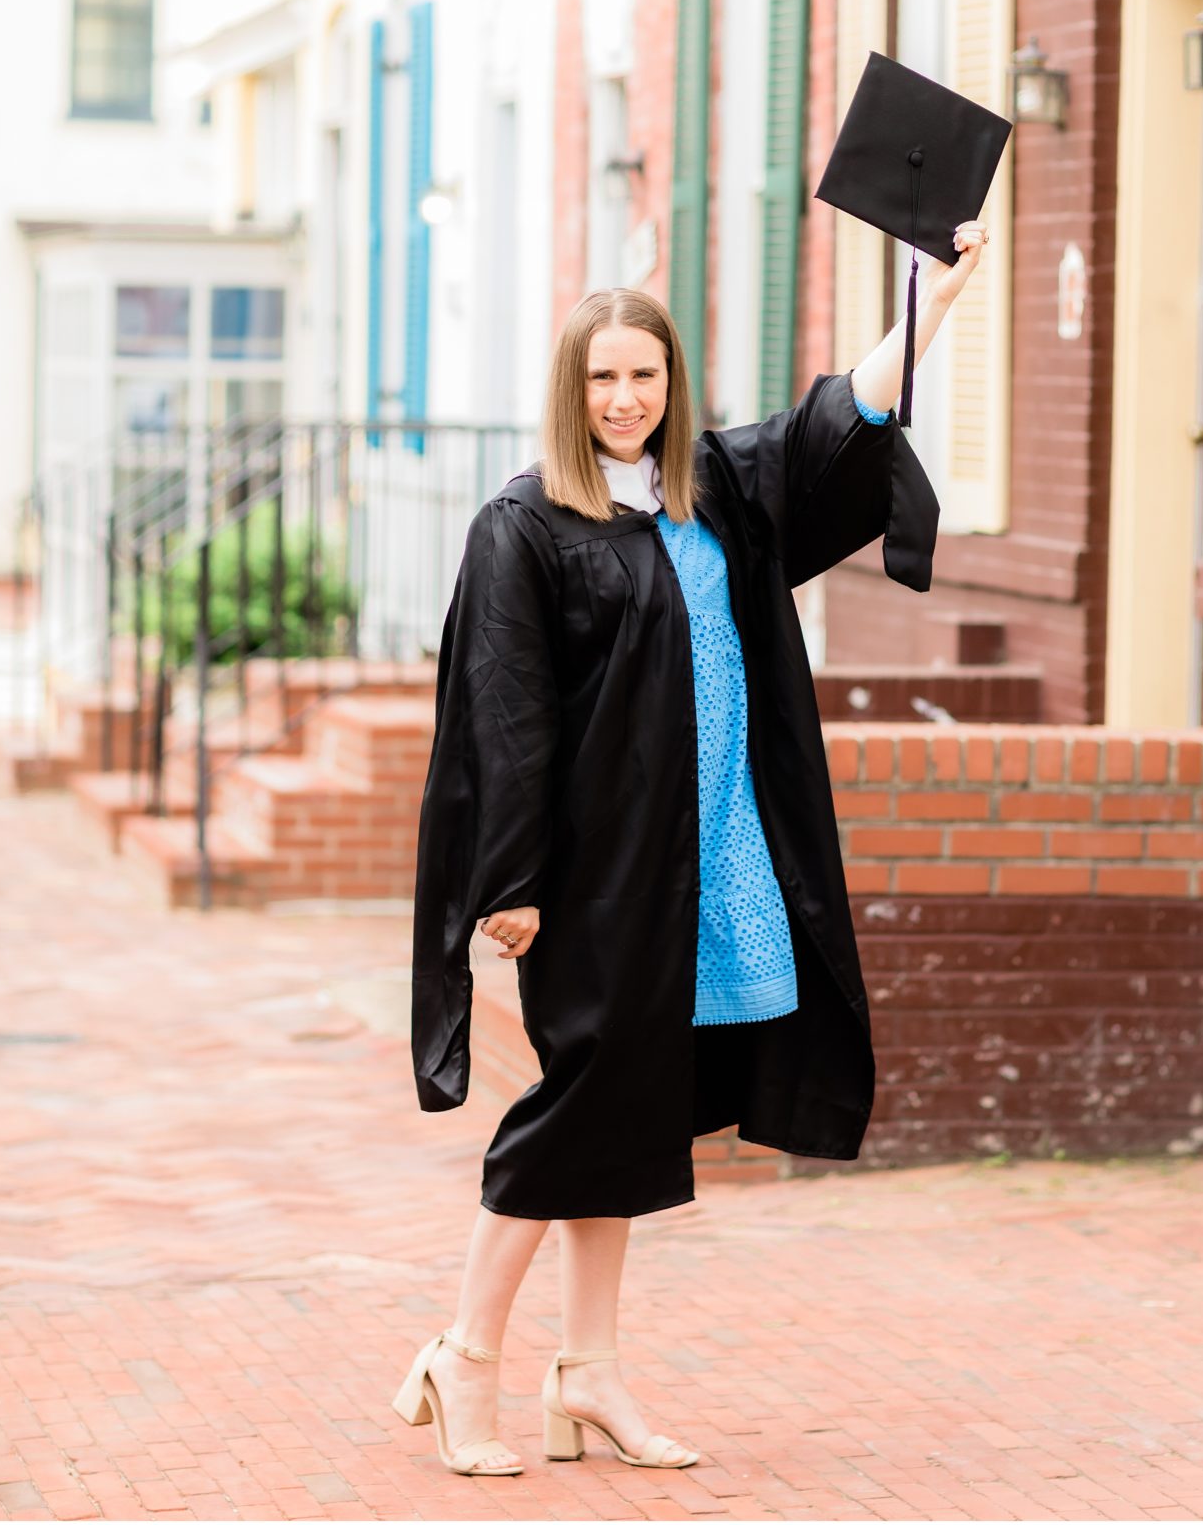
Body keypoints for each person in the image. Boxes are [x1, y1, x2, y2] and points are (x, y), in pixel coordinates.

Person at [392, 222, 990, 1475]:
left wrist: (937, 295)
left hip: (709, 850)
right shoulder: (528, 525)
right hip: (594, 872)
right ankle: (466, 1353)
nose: (624, 398)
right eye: (602, 377)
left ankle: (590, 1373)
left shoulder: (711, 486)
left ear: (673, 384)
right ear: (573, 388)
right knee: (580, 1103)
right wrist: (510, 881)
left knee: (636, 1113)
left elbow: (844, 416)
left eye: (645, 375)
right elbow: (505, 709)